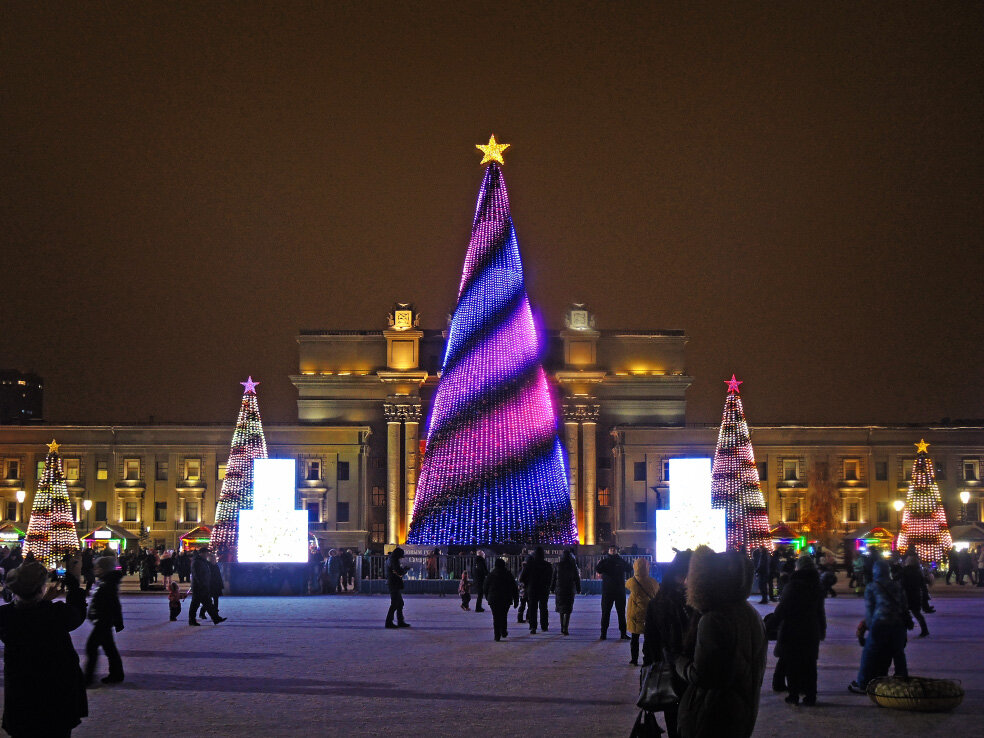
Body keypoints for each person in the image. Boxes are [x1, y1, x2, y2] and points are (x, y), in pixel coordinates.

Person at [673, 547, 767, 738]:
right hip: (742, 712)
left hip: (712, 716)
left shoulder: (714, 619)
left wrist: (678, 662)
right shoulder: (751, 613)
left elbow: (703, 676)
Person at [0, 558, 88, 737]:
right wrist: (74, 586)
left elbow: (29, 612)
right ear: (41, 588)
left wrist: (43, 601)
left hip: (22, 692)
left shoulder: (5, 616)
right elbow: (77, 615)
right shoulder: (55, 613)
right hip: (56, 693)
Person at [644, 550, 693, 738]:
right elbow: (651, 642)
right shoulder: (677, 602)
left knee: (677, 722)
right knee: (679, 722)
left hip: (678, 671)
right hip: (674, 671)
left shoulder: (662, 601)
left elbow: (649, 644)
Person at [770, 554, 826, 705]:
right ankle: (810, 695)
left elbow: (783, 608)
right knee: (809, 665)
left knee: (792, 663)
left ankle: (793, 694)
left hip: (793, 629)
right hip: (811, 629)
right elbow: (820, 611)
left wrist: (773, 622)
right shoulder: (817, 585)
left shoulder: (793, 585)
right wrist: (821, 629)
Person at [849, 558, 910, 693]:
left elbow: (870, 611)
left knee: (870, 654)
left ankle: (863, 683)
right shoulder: (897, 585)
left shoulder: (872, 587)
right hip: (898, 625)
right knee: (898, 653)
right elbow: (905, 606)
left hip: (880, 625)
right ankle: (903, 680)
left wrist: (869, 629)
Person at [84, 555, 125, 685]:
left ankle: (88, 678)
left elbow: (114, 603)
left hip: (103, 620)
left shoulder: (108, 583)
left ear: (104, 569)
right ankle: (117, 674)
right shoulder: (103, 581)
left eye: (98, 567)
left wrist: (118, 621)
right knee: (109, 648)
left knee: (92, 647)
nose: (95, 569)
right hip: (102, 620)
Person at [625, 558, 659, 665]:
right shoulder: (653, 582)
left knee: (635, 638)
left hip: (635, 614)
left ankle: (634, 659)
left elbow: (626, 585)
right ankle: (647, 658)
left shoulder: (632, 581)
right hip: (648, 613)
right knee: (648, 638)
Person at [596, 545, 630, 640]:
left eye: (614, 549)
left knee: (621, 613)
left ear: (617, 551)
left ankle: (623, 633)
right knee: (606, 612)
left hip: (618, 590)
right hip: (608, 591)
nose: (612, 550)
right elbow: (598, 569)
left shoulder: (620, 561)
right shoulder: (605, 561)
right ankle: (603, 633)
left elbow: (629, 568)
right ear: (609, 551)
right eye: (611, 549)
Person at [483, 557, 519, 641]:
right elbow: (514, 588)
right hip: (505, 598)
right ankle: (503, 631)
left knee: (496, 617)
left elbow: (485, 587)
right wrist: (516, 600)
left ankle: (497, 635)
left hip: (493, 599)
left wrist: (487, 597)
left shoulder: (491, 575)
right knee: (503, 615)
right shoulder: (508, 574)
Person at [519, 547, 552, 634]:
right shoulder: (548, 565)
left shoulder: (529, 565)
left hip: (532, 588)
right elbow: (550, 578)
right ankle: (544, 626)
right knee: (543, 607)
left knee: (532, 608)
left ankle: (533, 626)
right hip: (544, 589)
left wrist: (527, 584)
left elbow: (521, 577)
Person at [189, 548, 225, 626]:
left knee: (207, 604)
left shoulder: (202, 562)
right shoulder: (197, 562)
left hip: (203, 586)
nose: (207, 555)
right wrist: (202, 584)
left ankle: (216, 618)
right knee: (196, 604)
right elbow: (197, 575)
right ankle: (192, 620)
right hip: (199, 587)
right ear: (202, 553)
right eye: (206, 553)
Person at [551, 550, 581, 636]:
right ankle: (566, 628)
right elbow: (577, 579)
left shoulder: (558, 565)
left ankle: (562, 627)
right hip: (569, 589)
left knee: (561, 609)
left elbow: (553, 578)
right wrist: (578, 589)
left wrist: (552, 588)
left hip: (559, 589)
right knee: (568, 609)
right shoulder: (573, 566)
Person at [899, 553, 929, 638]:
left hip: (906, 595)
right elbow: (923, 585)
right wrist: (925, 595)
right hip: (916, 594)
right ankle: (924, 630)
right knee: (917, 613)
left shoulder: (904, 570)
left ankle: (903, 631)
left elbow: (898, 579)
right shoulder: (918, 571)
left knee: (903, 613)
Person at [385, 547, 410, 628]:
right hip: (394, 583)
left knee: (399, 603)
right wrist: (405, 570)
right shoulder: (394, 560)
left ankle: (399, 621)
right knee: (395, 603)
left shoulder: (390, 559)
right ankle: (389, 622)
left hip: (392, 582)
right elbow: (398, 572)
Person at [199, 552, 224, 619]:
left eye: (214, 558)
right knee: (208, 601)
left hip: (216, 585)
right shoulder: (208, 566)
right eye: (213, 558)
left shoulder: (216, 566)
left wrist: (220, 585)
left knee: (215, 600)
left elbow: (219, 576)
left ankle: (215, 614)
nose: (214, 559)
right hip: (210, 585)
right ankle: (202, 612)